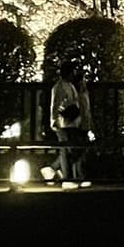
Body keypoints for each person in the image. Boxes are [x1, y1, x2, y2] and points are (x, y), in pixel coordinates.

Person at [47, 61, 85, 189]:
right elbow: (55, 105)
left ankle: (55, 170)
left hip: (70, 121)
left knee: (70, 149)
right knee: (66, 150)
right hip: (63, 121)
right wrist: (54, 121)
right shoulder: (59, 87)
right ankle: (67, 178)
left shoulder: (69, 86)